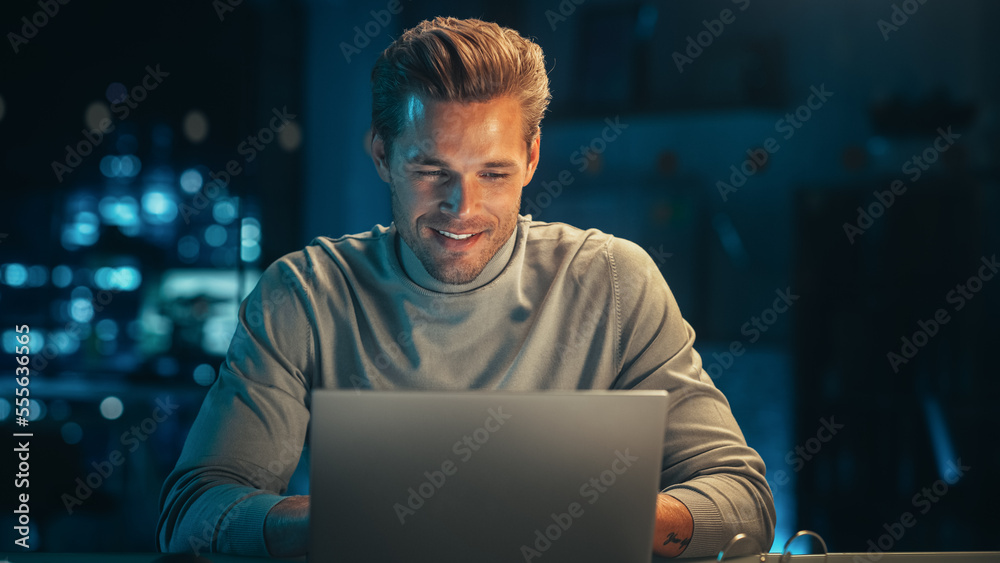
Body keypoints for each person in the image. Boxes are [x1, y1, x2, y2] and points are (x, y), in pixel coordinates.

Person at [157, 16, 775, 559]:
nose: (463, 207)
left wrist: (602, 513)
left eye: (494, 173)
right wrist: (344, 520)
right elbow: (193, 512)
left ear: (532, 159)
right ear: (381, 154)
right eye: (431, 170)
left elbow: (742, 502)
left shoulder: (615, 280)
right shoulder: (305, 295)